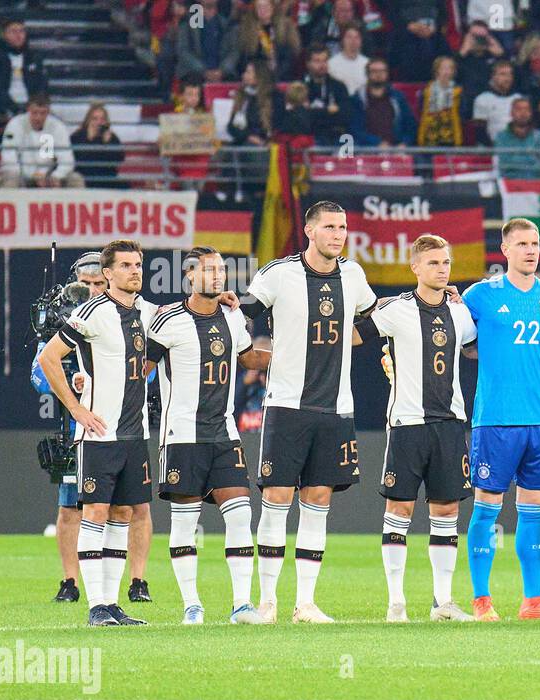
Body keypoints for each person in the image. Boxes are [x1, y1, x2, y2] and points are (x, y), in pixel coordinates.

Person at [236, 201, 379, 624]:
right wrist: (256, 355)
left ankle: (305, 603)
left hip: (336, 409)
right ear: (310, 230)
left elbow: (376, 318)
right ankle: (267, 601)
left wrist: (342, 340)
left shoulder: (353, 275)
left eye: (344, 227)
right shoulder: (278, 274)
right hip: (286, 405)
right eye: (330, 226)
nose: (338, 234)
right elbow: (240, 315)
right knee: (276, 499)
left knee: (318, 500)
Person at [144, 248, 271, 625]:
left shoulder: (233, 317)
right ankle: (192, 605)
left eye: (221, 270)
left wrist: (292, 356)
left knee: (241, 514)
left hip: (224, 434)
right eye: (210, 270)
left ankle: (241, 605)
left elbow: (248, 359)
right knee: (185, 523)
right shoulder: (166, 320)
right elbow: (142, 370)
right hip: (181, 436)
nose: (218, 276)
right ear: (189, 276)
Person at [353, 235, 476, 622]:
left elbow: (473, 346)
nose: (442, 269)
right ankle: (396, 602)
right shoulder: (396, 310)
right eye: (434, 263)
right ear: (416, 268)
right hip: (407, 423)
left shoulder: (461, 313)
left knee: (446, 509)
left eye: (446, 263)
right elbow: (355, 335)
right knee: (400, 507)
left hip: (451, 423)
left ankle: (443, 602)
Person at [36, 240, 156, 627]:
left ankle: (112, 605)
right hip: (101, 434)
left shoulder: (146, 312)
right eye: (125, 265)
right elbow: (47, 358)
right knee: (96, 512)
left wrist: (222, 301)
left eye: (138, 264)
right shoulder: (92, 311)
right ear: (108, 274)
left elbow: (184, 316)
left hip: (135, 433)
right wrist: (76, 409)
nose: (134, 271)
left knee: (123, 512)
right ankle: (96, 606)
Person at [459, 218, 540, 621]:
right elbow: (458, 337)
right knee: (487, 506)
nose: (531, 250)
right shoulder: (480, 296)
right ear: (504, 250)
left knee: (534, 509)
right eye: (522, 243)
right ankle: (481, 600)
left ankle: (534, 601)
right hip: (494, 418)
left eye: (536, 243)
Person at [1, 94, 84, 188]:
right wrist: (31, 175)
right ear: (28, 110)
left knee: (76, 179)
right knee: (11, 177)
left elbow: (67, 159)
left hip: (49, 176)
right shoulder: (14, 124)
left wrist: (56, 176)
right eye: (35, 112)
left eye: (43, 113)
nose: (38, 118)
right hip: (22, 174)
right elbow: (8, 156)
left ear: (48, 112)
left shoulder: (58, 126)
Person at [349, 56, 416, 146]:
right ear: (367, 74)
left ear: (387, 73)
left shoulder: (398, 98)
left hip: (397, 149)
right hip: (367, 150)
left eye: (382, 71)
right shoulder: (357, 99)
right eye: (374, 71)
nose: (378, 75)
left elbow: (410, 125)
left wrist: (404, 143)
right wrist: (376, 143)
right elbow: (355, 130)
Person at [0, 16, 49, 118]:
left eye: (21, 31)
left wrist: (32, 106)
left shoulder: (34, 58)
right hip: (4, 110)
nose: (18, 35)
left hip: (31, 109)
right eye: (13, 31)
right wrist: (13, 108)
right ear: (4, 35)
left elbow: (42, 85)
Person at [302, 43, 352, 145]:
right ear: (308, 64)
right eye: (317, 61)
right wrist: (328, 110)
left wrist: (315, 112)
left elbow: (346, 115)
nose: (322, 65)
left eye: (325, 60)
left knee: (349, 143)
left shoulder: (339, 86)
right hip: (312, 136)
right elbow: (302, 118)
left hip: (337, 135)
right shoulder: (301, 88)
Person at [494, 97, 540, 179]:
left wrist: (515, 158)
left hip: (536, 183)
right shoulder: (501, 136)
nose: (523, 113)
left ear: (531, 113)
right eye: (519, 109)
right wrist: (531, 157)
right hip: (510, 182)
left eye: (527, 109)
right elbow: (504, 164)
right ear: (511, 113)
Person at [70, 104, 125, 189]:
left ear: (106, 121)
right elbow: (78, 160)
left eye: (102, 119)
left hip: (107, 179)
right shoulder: (78, 136)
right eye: (95, 119)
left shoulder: (111, 137)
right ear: (88, 120)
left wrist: (108, 144)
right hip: (84, 179)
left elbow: (119, 159)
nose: (99, 122)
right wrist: (89, 140)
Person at [471, 60, 522, 143]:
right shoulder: (482, 99)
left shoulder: (518, 98)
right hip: (492, 148)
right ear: (493, 76)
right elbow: (480, 131)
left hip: (517, 147)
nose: (507, 78)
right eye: (503, 74)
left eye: (510, 74)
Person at [328, 22, 370, 96]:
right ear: (342, 40)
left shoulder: (368, 63)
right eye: (349, 37)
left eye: (357, 37)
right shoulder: (331, 63)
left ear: (361, 41)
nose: (353, 41)